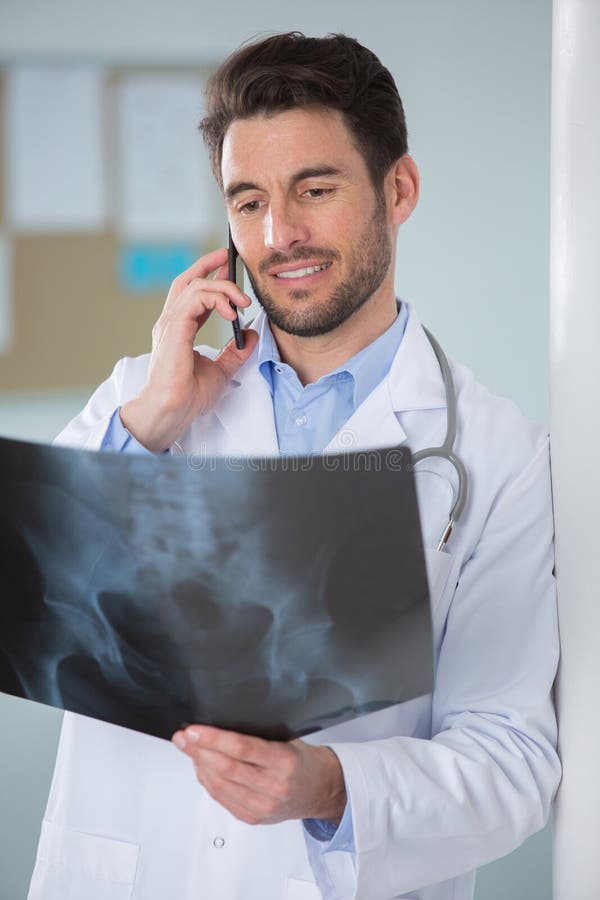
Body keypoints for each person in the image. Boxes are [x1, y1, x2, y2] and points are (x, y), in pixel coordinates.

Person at [28, 32, 560, 900]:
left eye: (315, 188)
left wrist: (331, 788)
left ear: (399, 189)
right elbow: (33, 598)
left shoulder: (498, 455)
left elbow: (512, 759)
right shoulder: (142, 404)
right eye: (247, 202)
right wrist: (151, 419)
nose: (279, 235)